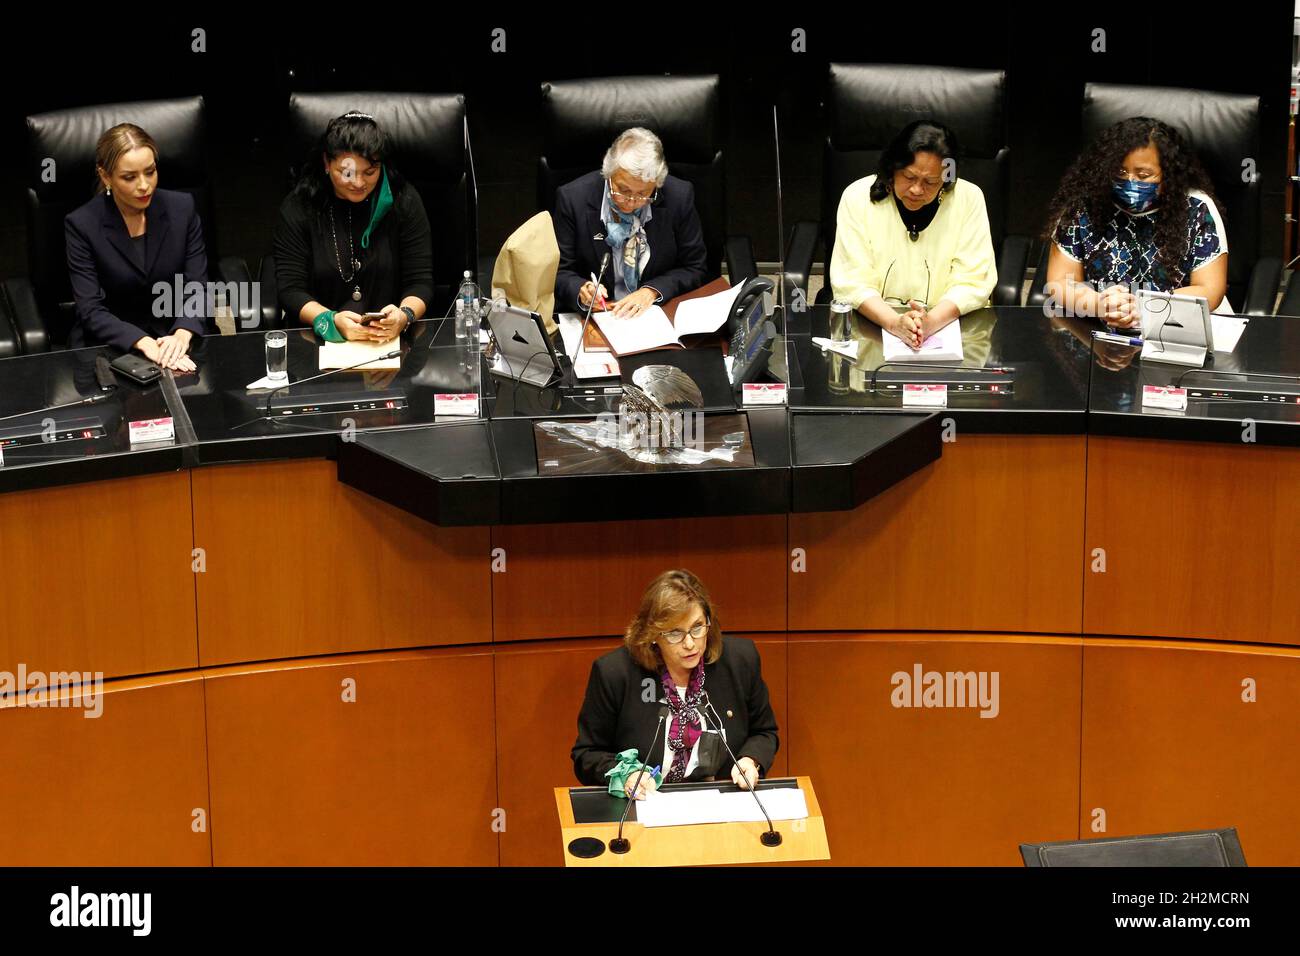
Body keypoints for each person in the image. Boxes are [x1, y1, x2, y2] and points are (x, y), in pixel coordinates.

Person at [572, 569, 778, 799]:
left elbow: (764, 731)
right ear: (652, 634)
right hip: (646, 808)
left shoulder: (740, 661)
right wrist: (627, 775)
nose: (690, 643)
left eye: (698, 627)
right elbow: (587, 754)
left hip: (722, 805)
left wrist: (751, 760)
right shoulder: (616, 673)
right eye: (674, 633)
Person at [1043, 116, 1229, 324]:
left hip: (1175, 327)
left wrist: (1144, 308)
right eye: (1121, 172)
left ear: (1169, 175)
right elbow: (1060, 282)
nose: (1130, 182)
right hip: (1097, 327)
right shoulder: (1083, 205)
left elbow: (1209, 290)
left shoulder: (1197, 208)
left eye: (1143, 175)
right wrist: (1100, 305)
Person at [830, 120, 997, 351]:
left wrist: (931, 322)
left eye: (930, 182)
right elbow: (852, 282)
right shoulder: (857, 197)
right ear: (892, 169)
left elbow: (973, 281)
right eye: (909, 177)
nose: (917, 190)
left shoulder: (969, 199)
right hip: (872, 329)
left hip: (949, 328)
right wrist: (893, 322)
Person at [274, 111, 433, 344]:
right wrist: (329, 319)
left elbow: (420, 281)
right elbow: (290, 289)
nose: (359, 183)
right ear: (327, 163)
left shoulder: (403, 201)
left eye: (370, 172)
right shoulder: (300, 207)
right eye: (347, 173)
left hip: (390, 342)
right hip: (318, 341)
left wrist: (404, 315)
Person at [65, 123, 206, 371]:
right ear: (105, 176)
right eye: (129, 177)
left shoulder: (182, 208)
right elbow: (90, 309)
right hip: (111, 347)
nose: (144, 185)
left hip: (175, 338)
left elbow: (198, 287)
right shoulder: (81, 224)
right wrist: (142, 342)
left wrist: (183, 331)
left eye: (150, 172)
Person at [553, 127, 708, 319]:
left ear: (657, 183)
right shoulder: (572, 199)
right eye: (623, 190)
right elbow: (559, 272)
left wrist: (651, 292)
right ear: (608, 174)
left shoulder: (679, 197)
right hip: (598, 316)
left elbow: (695, 268)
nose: (632, 201)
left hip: (655, 314)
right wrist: (582, 289)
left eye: (643, 193)